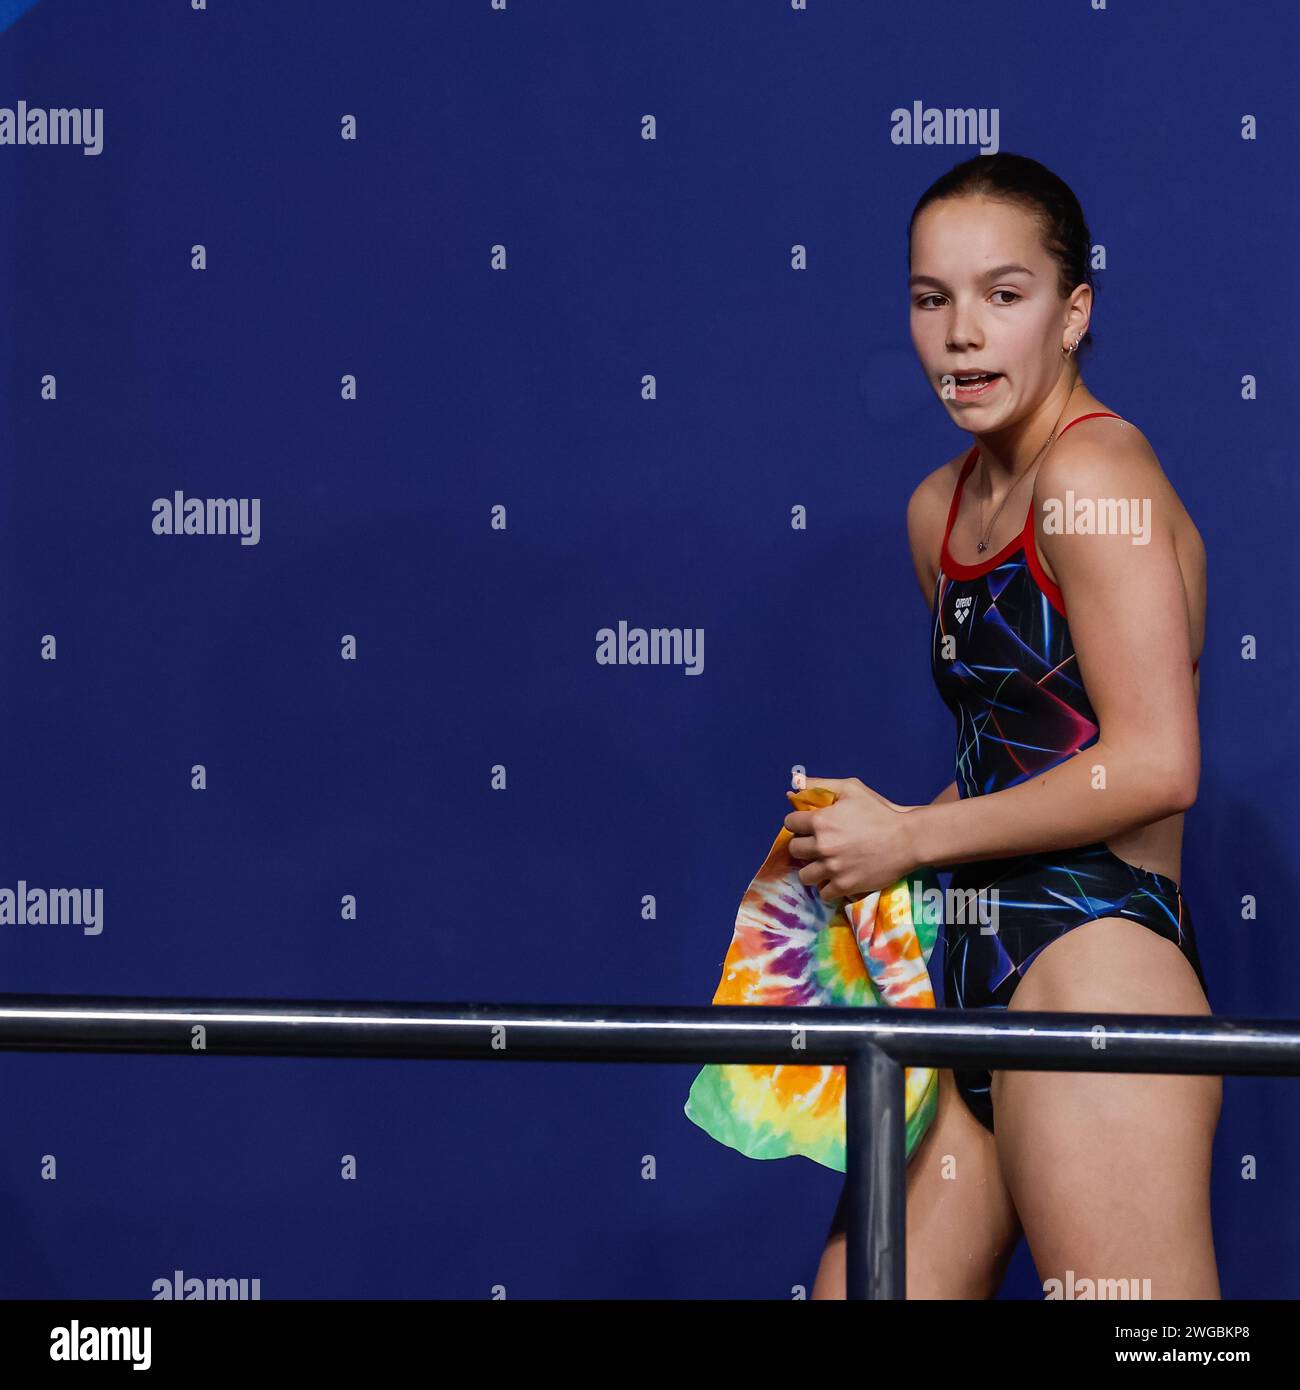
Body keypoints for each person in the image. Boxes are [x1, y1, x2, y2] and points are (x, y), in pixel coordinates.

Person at [790, 153, 1218, 1300]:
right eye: (932, 299)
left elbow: (1154, 761)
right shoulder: (939, 510)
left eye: (1004, 294)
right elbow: (1015, 755)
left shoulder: (1097, 470)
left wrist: (913, 843)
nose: (961, 335)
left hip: (1092, 963)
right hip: (960, 970)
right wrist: (859, 843)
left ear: (1074, 312)